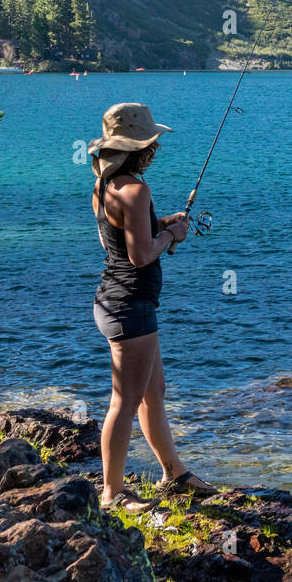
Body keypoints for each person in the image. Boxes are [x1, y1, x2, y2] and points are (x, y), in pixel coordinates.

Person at [89, 102, 215, 513]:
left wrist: (160, 223)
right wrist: (173, 234)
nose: (156, 150)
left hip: (115, 301)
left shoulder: (107, 185)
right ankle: (111, 494)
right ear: (139, 148)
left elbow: (124, 230)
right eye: (152, 143)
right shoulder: (137, 189)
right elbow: (140, 256)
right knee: (124, 401)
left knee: (152, 393)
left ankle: (173, 473)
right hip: (130, 305)